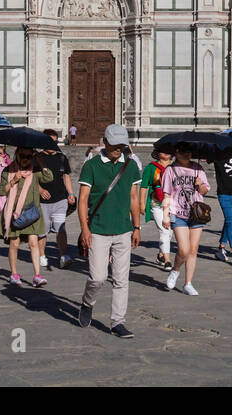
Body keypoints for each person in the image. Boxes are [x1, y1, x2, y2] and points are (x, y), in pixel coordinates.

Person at [76, 124, 141, 338]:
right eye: (115, 144)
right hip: (98, 230)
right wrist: (85, 229)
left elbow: (133, 198)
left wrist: (137, 227)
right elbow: (83, 200)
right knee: (98, 277)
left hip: (123, 229)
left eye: (122, 144)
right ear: (105, 142)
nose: (118, 148)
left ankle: (118, 322)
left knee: (122, 279)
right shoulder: (92, 166)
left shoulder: (130, 166)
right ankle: (87, 303)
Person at [0, 147, 52, 288]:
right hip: (14, 213)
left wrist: (40, 160)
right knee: (14, 244)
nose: (26, 159)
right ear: (17, 155)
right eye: (23, 156)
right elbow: (2, 190)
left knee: (34, 242)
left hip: (31, 214)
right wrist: (14, 180)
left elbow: (49, 177)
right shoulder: (8, 170)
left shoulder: (34, 171)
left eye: (29, 156)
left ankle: (37, 275)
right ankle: (14, 274)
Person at [161, 142, 210, 296]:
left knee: (193, 250)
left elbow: (205, 191)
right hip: (177, 213)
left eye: (189, 151)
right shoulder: (170, 170)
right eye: (183, 151)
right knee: (184, 249)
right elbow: (167, 194)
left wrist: (200, 185)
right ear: (176, 152)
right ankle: (175, 270)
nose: (187, 154)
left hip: (196, 213)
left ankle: (188, 283)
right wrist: (165, 216)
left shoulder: (197, 168)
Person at [36, 139, 75, 269]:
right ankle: (42, 256)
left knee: (61, 227)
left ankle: (63, 255)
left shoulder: (61, 157)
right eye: (50, 141)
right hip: (42, 201)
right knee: (43, 229)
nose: (53, 144)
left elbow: (66, 176)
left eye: (55, 141)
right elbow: (31, 177)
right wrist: (40, 190)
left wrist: (70, 193)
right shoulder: (37, 158)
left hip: (60, 199)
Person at [140, 144, 175, 271]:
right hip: (156, 204)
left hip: (172, 204)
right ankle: (167, 260)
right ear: (157, 152)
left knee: (170, 231)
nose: (166, 153)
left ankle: (161, 255)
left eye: (168, 151)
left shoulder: (175, 167)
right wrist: (142, 203)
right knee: (165, 230)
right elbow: (144, 186)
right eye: (163, 151)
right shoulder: (151, 168)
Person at [210, 147, 232, 265]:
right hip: (224, 194)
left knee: (229, 221)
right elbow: (207, 159)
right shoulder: (217, 156)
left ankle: (221, 248)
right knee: (231, 221)